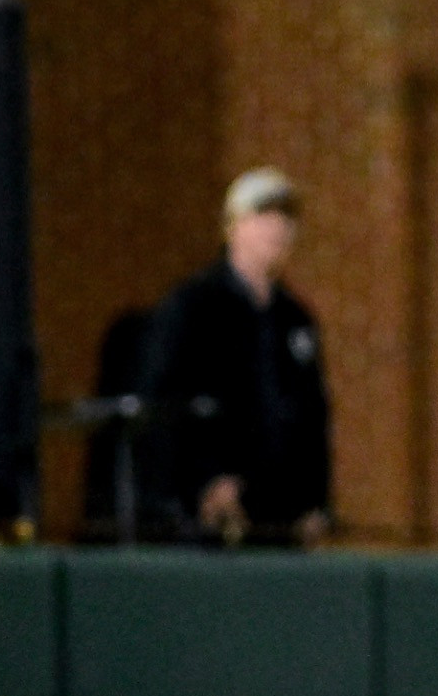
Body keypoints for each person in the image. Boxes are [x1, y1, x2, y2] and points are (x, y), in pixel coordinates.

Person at [141, 167, 330, 547]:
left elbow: (314, 416)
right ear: (233, 227)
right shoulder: (193, 308)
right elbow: (163, 405)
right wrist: (204, 483)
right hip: (213, 522)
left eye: (285, 217)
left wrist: (316, 502)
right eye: (263, 215)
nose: (277, 228)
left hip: (282, 518)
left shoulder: (294, 318)